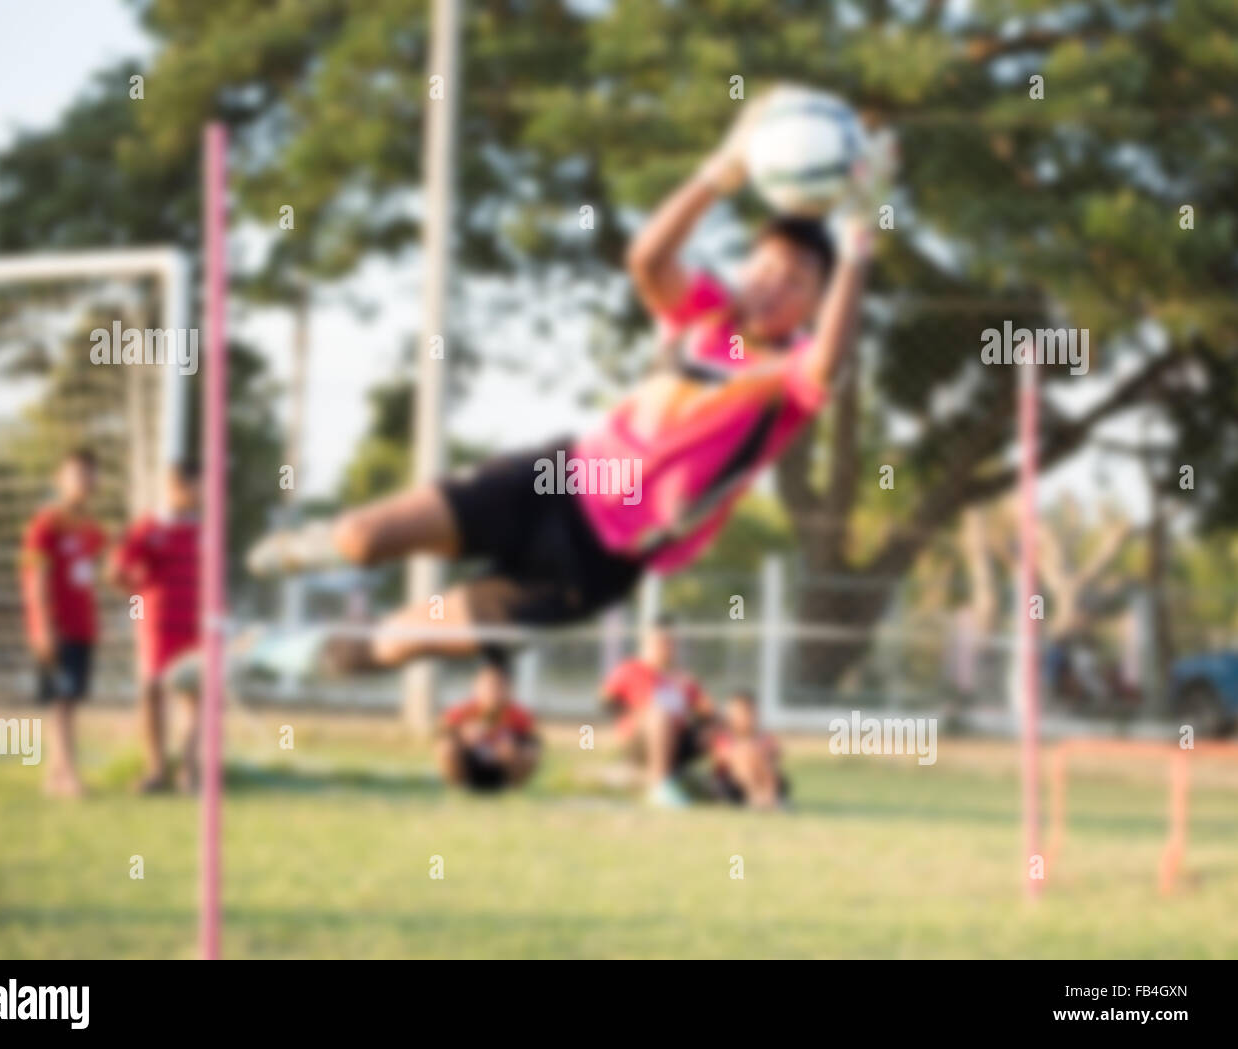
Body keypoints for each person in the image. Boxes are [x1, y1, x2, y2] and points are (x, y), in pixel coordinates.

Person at [247, 94, 890, 671]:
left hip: (594, 565)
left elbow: (830, 362)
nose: (775, 285)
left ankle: (269, 657)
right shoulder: (704, 311)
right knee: (362, 541)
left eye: (799, 282)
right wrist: (720, 172)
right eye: (768, 266)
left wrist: (859, 237)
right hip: (556, 478)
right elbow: (646, 259)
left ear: (814, 306)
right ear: (746, 265)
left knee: (399, 640)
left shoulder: (793, 376)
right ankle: (309, 550)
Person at [108, 462, 201, 792]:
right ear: (174, 486)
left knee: (196, 695)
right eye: (189, 485)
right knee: (153, 690)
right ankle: (156, 770)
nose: (196, 493)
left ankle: (189, 771)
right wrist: (140, 591)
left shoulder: (205, 530)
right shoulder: (150, 526)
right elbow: (117, 569)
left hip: (197, 627)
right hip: (159, 626)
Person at [20, 448, 106, 797]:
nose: (83, 482)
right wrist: (42, 627)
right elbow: (35, 577)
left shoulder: (91, 530)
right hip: (58, 629)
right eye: (76, 475)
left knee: (70, 701)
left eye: (89, 475)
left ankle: (55, 775)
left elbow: (102, 569)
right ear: (59, 479)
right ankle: (67, 774)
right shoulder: (45, 526)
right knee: (62, 700)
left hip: (84, 627)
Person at [600, 617, 712, 806]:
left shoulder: (682, 678)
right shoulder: (630, 669)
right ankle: (659, 785)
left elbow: (707, 711)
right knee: (658, 715)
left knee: (717, 730)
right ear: (648, 644)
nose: (666, 647)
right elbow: (606, 700)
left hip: (679, 740)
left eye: (670, 643)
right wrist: (633, 714)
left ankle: (729, 786)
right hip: (641, 736)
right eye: (661, 643)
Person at [435, 651, 540, 791]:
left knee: (530, 752)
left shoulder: (517, 715)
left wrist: (512, 748)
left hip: (502, 768)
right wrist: (463, 737)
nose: (492, 691)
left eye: (498, 686)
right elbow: (443, 734)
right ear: (476, 686)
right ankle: (459, 786)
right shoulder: (462, 712)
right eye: (488, 685)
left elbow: (531, 742)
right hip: (470, 764)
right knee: (445, 747)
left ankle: (512, 787)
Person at [709, 690, 789, 809]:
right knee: (743, 751)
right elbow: (721, 758)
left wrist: (757, 751)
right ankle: (755, 797)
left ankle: (770, 798)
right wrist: (744, 750)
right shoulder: (725, 737)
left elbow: (775, 755)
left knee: (757, 753)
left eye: (747, 713)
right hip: (732, 784)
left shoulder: (763, 737)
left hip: (764, 780)